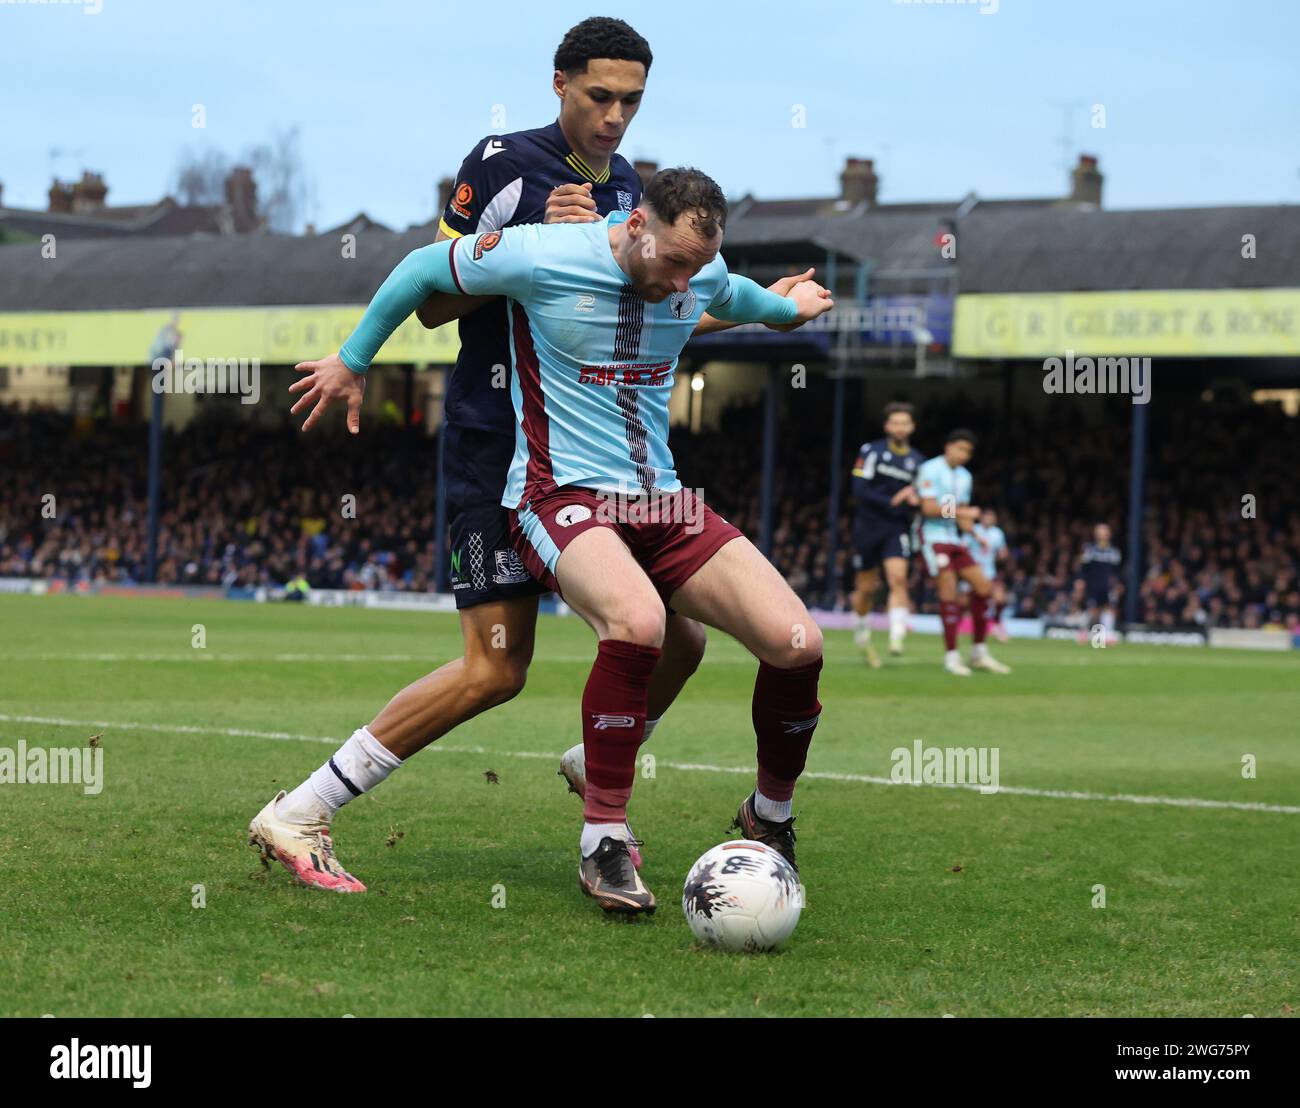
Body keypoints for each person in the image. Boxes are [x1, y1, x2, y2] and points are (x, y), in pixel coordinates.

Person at [247, 19, 810, 893]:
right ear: (559, 84)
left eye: (632, 101)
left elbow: (659, 309)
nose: (616, 118)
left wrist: (753, 302)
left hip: (610, 471)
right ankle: (303, 810)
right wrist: (544, 251)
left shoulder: (632, 190)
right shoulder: (505, 164)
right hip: (498, 443)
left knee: (683, 641)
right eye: (600, 97)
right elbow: (435, 298)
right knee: (498, 666)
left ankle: (599, 763)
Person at [915, 430, 1011, 677]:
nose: (964, 455)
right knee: (948, 592)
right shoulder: (929, 469)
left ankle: (979, 652)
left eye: (968, 452)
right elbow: (927, 508)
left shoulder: (965, 477)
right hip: (932, 537)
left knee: (984, 588)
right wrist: (963, 512)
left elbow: (963, 515)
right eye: (960, 449)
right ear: (948, 447)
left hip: (955, 539)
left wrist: (975, 534)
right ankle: (952, 657)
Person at [848, 402, 922, 667]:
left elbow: (919, 494)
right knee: (866, 588)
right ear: (887, 426)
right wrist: (893, 499)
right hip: (868, 526)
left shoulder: (918, 460)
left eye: (905, 422)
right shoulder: (871, 451)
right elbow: (859, 489)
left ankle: (896, 636)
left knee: (898, 578)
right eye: (895, 422)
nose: (900, 427)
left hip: (896, 527)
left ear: (912, 427)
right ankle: (862, 631)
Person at [965, 507, 1009, 642]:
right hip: (972, 572)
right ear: (982, 518)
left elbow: (1003, 552)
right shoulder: (973, 530)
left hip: (989, 572)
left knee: (1000, 598)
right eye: (987, 517)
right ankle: (957, 625)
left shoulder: (998, 533)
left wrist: (1003, 555)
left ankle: (996, 624)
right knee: (965, 601)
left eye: (992, 517)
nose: (989, 519)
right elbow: (962, 547)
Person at [1079, 522, 1121, 631]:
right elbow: (1084, 568)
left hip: (1108, 586)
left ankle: (1108, 634)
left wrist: (1117, 585)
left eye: (1105, 532)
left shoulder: (1113, 551)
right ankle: (1088, 633)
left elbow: (1117, 572)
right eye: (1100, 532)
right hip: (1093, 586)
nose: (1103, 535)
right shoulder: (1090, 550)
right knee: (1093, 611)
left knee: (1109, 608)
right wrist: (1081, 581)